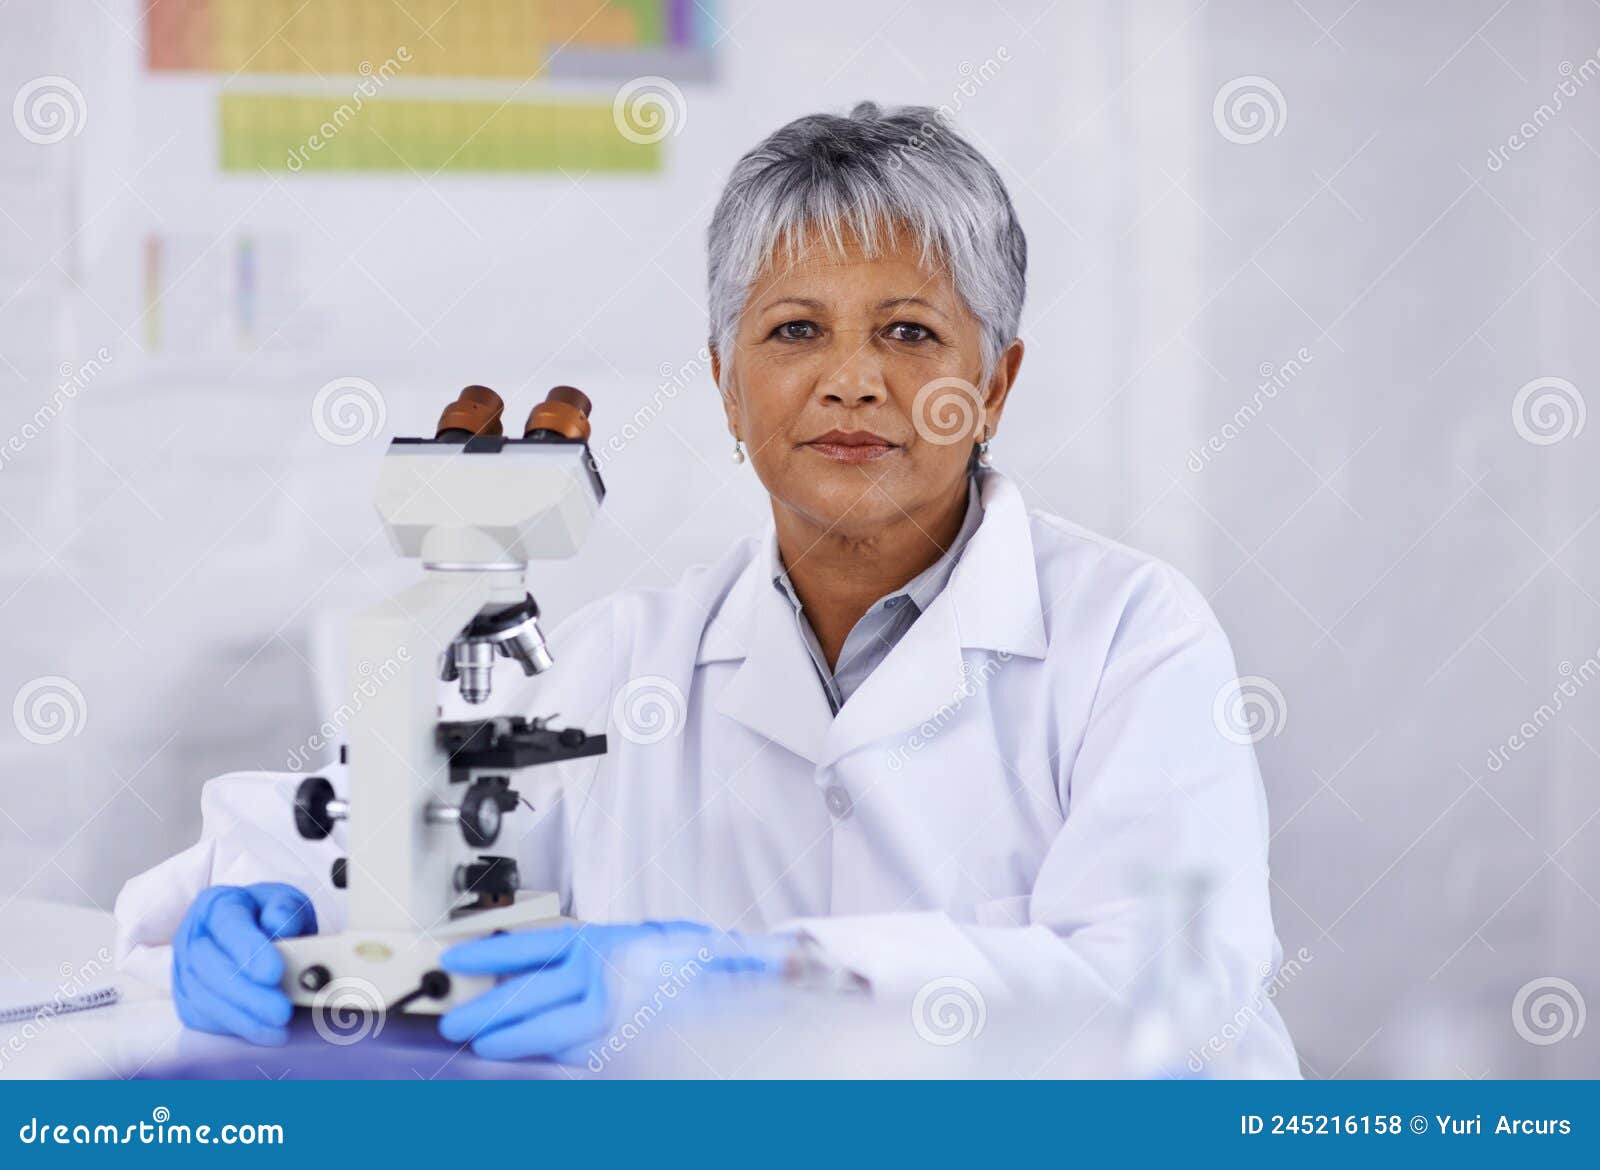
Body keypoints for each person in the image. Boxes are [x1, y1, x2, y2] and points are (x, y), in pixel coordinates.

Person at [114, 102, 1297, 1074]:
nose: (849, 382)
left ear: (994, 385)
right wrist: (263, 905)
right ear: (726, 387)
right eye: (792, 331)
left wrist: (745, 980)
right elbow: (377, 831)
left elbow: (1161, 995)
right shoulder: (623, 660)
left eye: (907, 332)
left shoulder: (1133, 639)